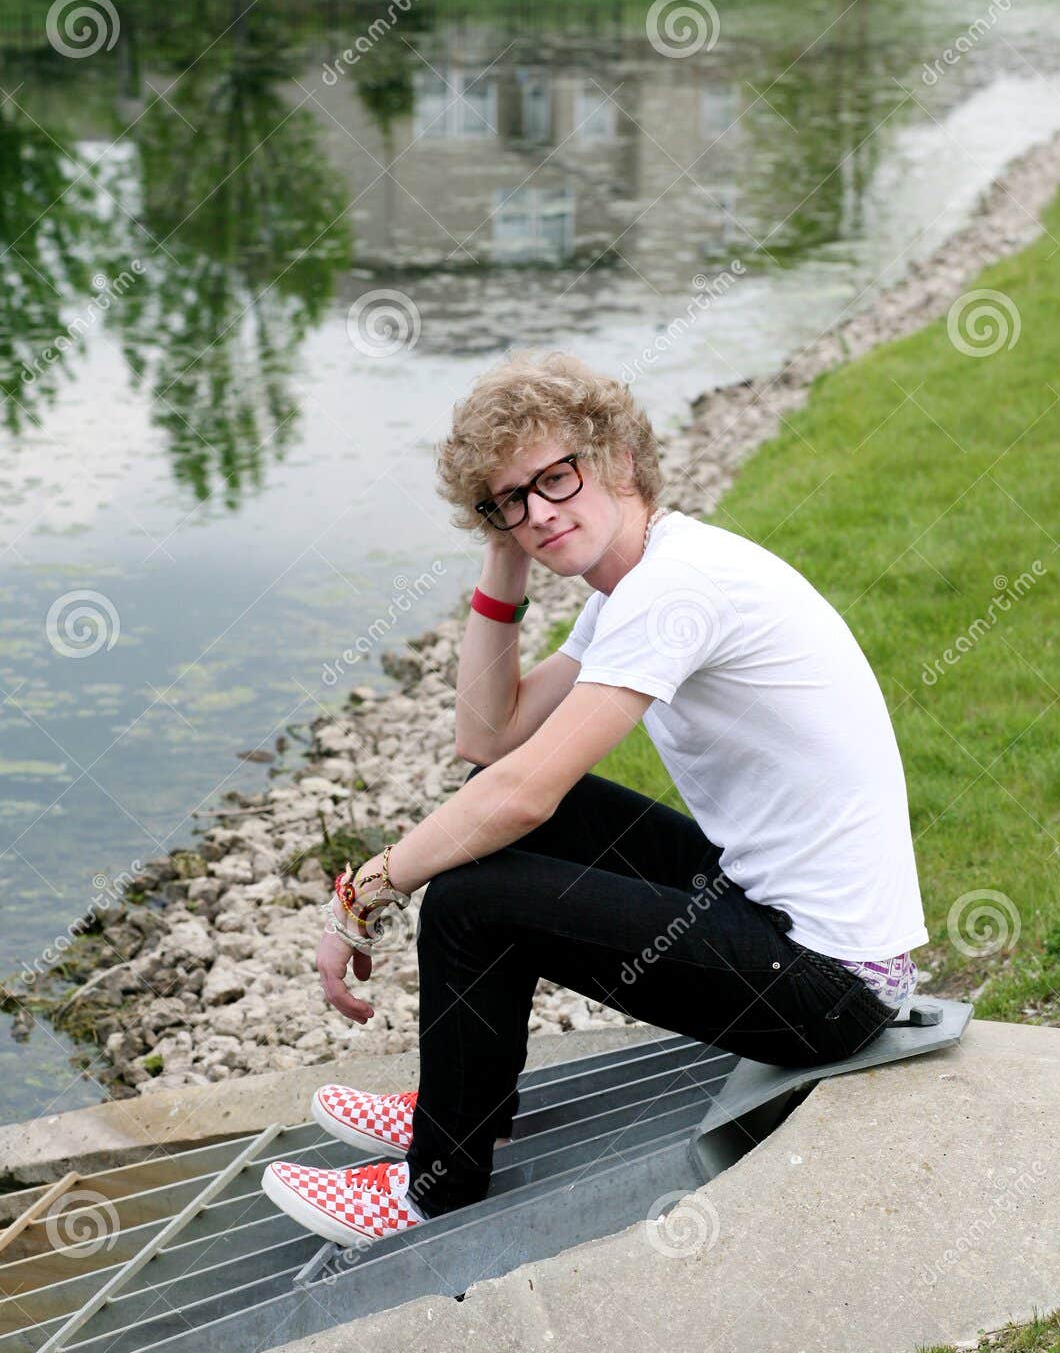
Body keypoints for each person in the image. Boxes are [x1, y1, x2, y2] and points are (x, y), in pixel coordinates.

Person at [261, 348, 927, 1247]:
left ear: (614, 458)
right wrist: (503, 561)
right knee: (484, 816)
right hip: (774, 916)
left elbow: (525, 793)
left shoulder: (673, 590)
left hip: (830, 989)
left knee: (467, 899)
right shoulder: (638, 581)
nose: (538, 513)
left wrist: (364, 893)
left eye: (554, 479)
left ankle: (431, 1191)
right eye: (508, 501)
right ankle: (471, 1103)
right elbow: (488, 740)